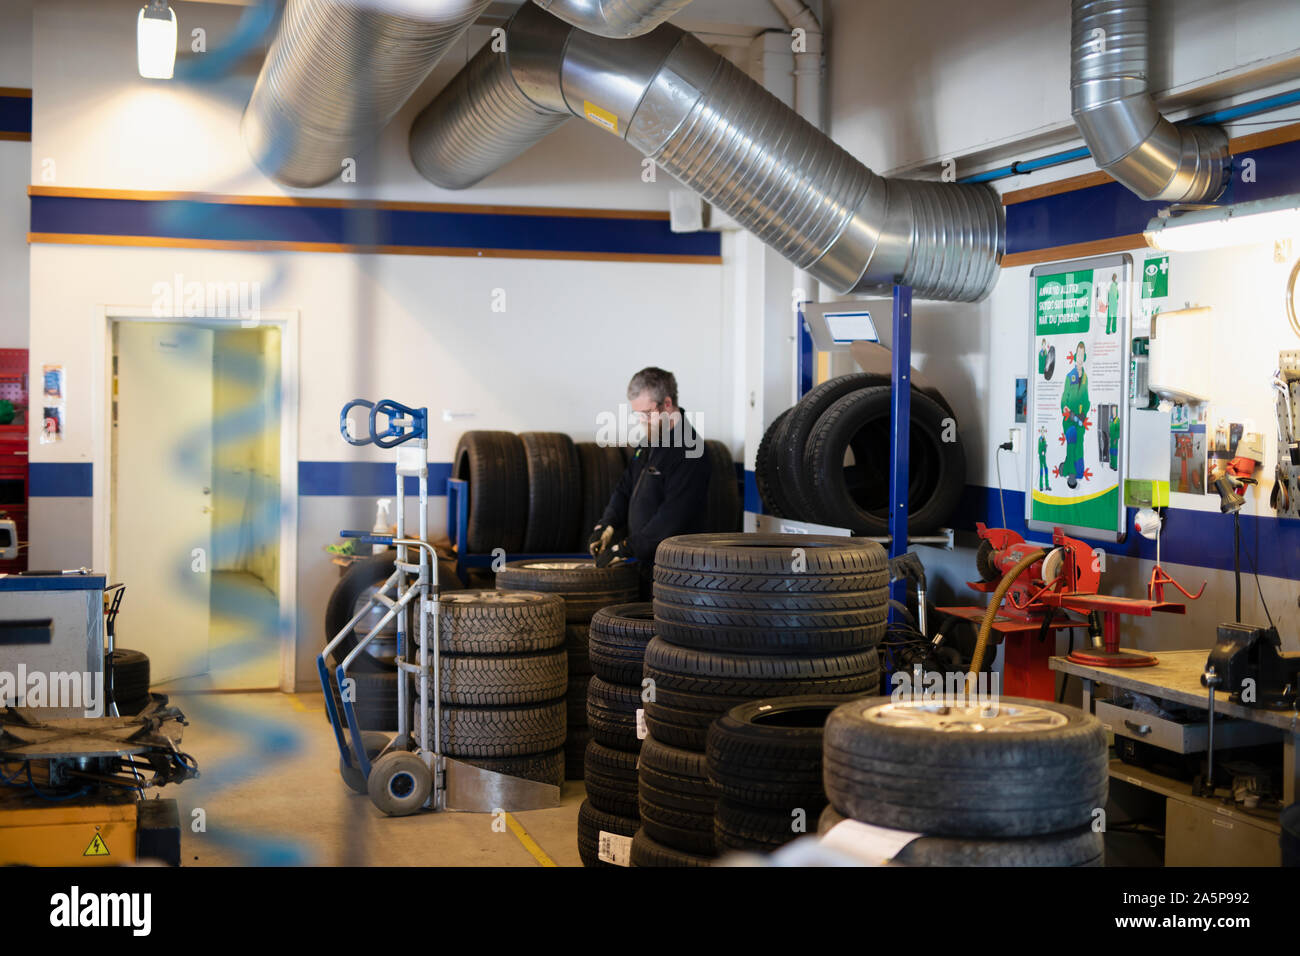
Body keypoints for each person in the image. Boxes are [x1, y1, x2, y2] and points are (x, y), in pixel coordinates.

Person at [588, 367, 710, 599]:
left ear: (667, 404)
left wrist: (625, 548)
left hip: (676, 574)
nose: (642, 421)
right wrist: (607, 524)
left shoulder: (691, 451)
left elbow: (672, 518)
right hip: (644, 566)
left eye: (646, 413)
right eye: (638, 414)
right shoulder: (650, 442)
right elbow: (625, 487)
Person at [1060, 341, 1090, 489]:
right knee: (1072, 443)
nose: (1079, 356)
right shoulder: (1069, 377)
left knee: (1079, 446)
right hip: (1069, 419)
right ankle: (1070, 473)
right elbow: (1064, 399)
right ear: (1074, 355)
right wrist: (1067, 411)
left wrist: (1083, 414)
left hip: (1080, 420)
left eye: (1082, 354)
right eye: (1078, 353)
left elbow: (1086, 400)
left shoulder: (1085, 378)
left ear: (1084, 356)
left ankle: (1076, 471)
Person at [1037, 427, 1050, 491]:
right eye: (1041, 432)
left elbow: (1044, 445)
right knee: (1041, 470)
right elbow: (1040, 447)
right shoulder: (1040, 439)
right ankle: (1041, 486)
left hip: (1044, 456)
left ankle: (1047, 485)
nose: (1042, 433)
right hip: (1041, 456)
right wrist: (1042, 449)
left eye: (1043, 432)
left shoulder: (1044, 439)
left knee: (1046, 469)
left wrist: (1045, 448)